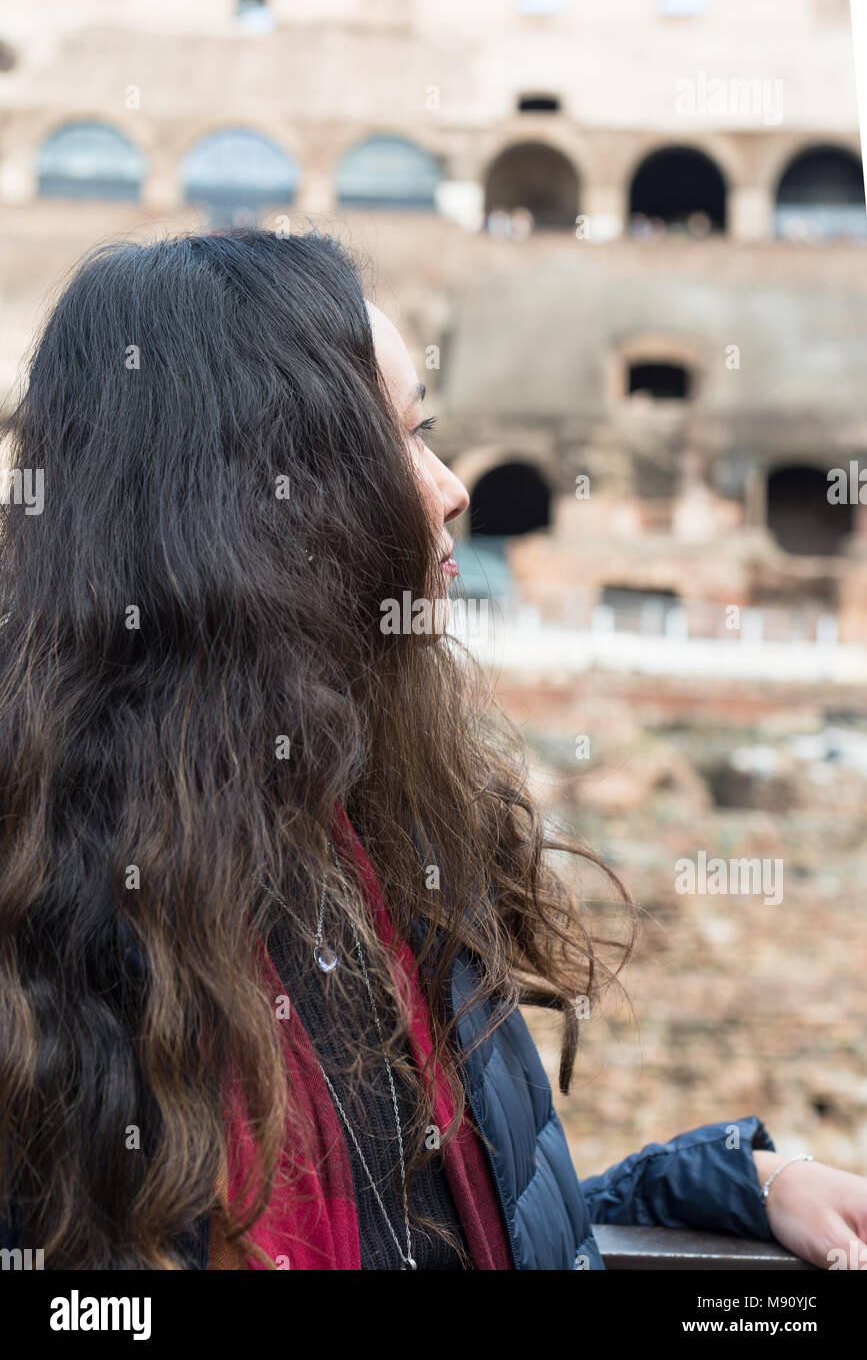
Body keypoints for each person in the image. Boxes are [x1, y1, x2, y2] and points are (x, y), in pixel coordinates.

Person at [0, 227, 865, 1270]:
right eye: (399, 441)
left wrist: (714, 1183)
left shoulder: (387, 840)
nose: (452, 488)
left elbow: (438, 1237)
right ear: (250, 505)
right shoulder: (54, 949)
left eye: (433, 433)